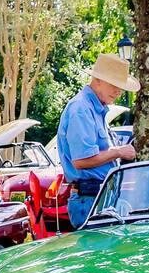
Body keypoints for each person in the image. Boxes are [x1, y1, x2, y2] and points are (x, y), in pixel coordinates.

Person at [57, 53, 139, 227]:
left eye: (121, 87)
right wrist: (119, 152)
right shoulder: (81, 108)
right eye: (114, 85)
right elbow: (81, 160)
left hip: (98, 197)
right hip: (89, 199)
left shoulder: (94, 109)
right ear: (98, 80)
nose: (118, 91)